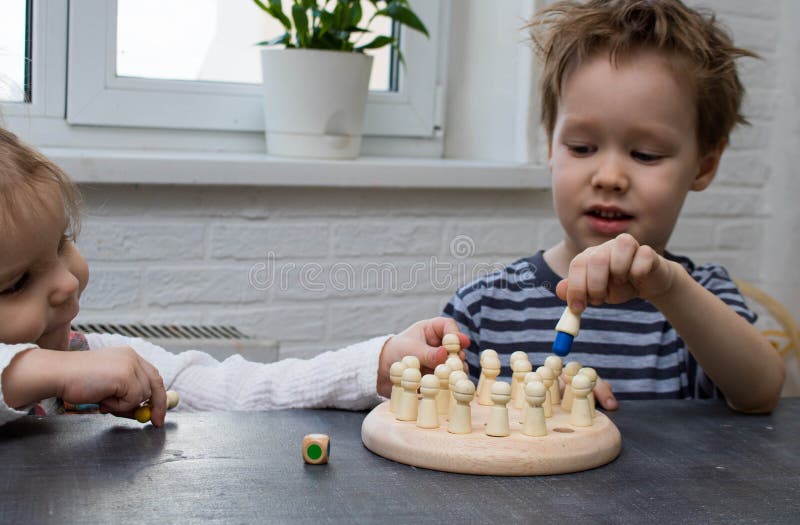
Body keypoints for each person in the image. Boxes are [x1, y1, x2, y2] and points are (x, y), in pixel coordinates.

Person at [443, 0, 785, 413]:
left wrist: (670, 289)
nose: (609, 176)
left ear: (704, 166)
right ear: (551, 145)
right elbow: (447, 417)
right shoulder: (486, 305)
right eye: (582, 147)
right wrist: (531, 401)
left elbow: (761, 393)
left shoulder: (701, 300)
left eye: (645, 154)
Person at [0, 128, 467, 427]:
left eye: (62, 243)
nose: (65, 282)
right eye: (16, 283)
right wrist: (44, 371)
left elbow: (237, 389)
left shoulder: (105, 358)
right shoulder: (70, 366)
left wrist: (375, 364)